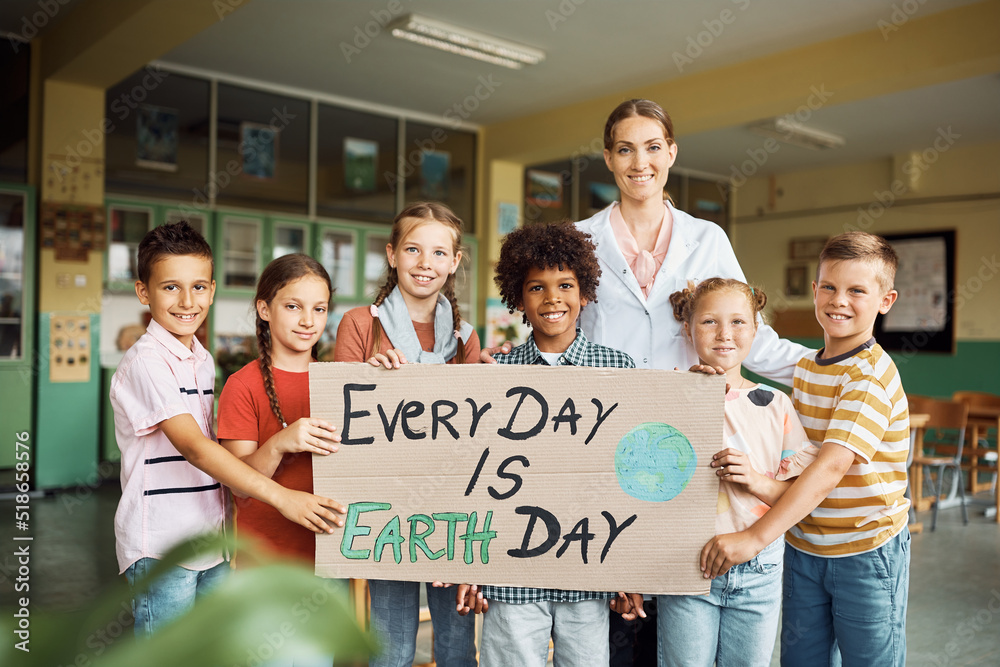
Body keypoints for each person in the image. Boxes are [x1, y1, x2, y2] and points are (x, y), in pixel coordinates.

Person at [486, 98, 812, 663]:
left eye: (653, 147)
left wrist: (827, 366)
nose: (641, 162)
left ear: (672, 153)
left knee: (680, 597)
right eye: (626, 149)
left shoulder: (707, 239)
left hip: (688, 437)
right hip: (604, 437)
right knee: (615, 608)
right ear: (608, 158)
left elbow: (745, 332)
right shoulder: (579, 239)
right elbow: (559, 331)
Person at [110, 223, 346, 637]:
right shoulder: (146, 361)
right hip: (163, 545)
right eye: (171, 287)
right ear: (143, 292)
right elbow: (196, 449)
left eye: (199, 287)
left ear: (213, 290)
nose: (188, 301)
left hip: (211, 541)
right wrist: (284, 497)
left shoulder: (200, 359)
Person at [700, 232, 910, 666]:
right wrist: (704, 385)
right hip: (804, 545)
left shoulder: (869, 377)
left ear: (885, 300)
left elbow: (830, 469)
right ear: (814, 291)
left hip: (864, 550)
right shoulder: (807, 367)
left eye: (857, 291)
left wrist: (754, 538)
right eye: (829, 286)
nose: (839, 300)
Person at [615, 278, 816, 666]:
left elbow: (796, 499)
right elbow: (641, 488)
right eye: (709, 321)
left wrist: (755, 479)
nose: (725, 333)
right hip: (687, 564)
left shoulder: (776, 405)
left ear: (756, 330)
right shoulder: (668, 397)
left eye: (738, 322)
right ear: (688, 330)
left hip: (759, 570)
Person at [474, 221, 634, 667]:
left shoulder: (618, 370)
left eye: (565, 285)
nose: (552, 298)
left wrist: (630, 568)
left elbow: (628, 475)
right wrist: (470, 566)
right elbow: (479, 477)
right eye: (536, 288)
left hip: (588, 572)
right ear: (518, 299)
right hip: (511, 575)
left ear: (585, 294)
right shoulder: (496, 376)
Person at [334, 201, 479, 667]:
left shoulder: (465, 338)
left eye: (439, 253)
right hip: (386, 505)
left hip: (453, 507)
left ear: (454, 262)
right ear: (392, 254)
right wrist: (367, 377)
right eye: (413, 249)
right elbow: (342, 417)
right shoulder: (361, 325)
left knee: (457, 644)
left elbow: (474, 434)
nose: (425, 263)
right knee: (392, 643)